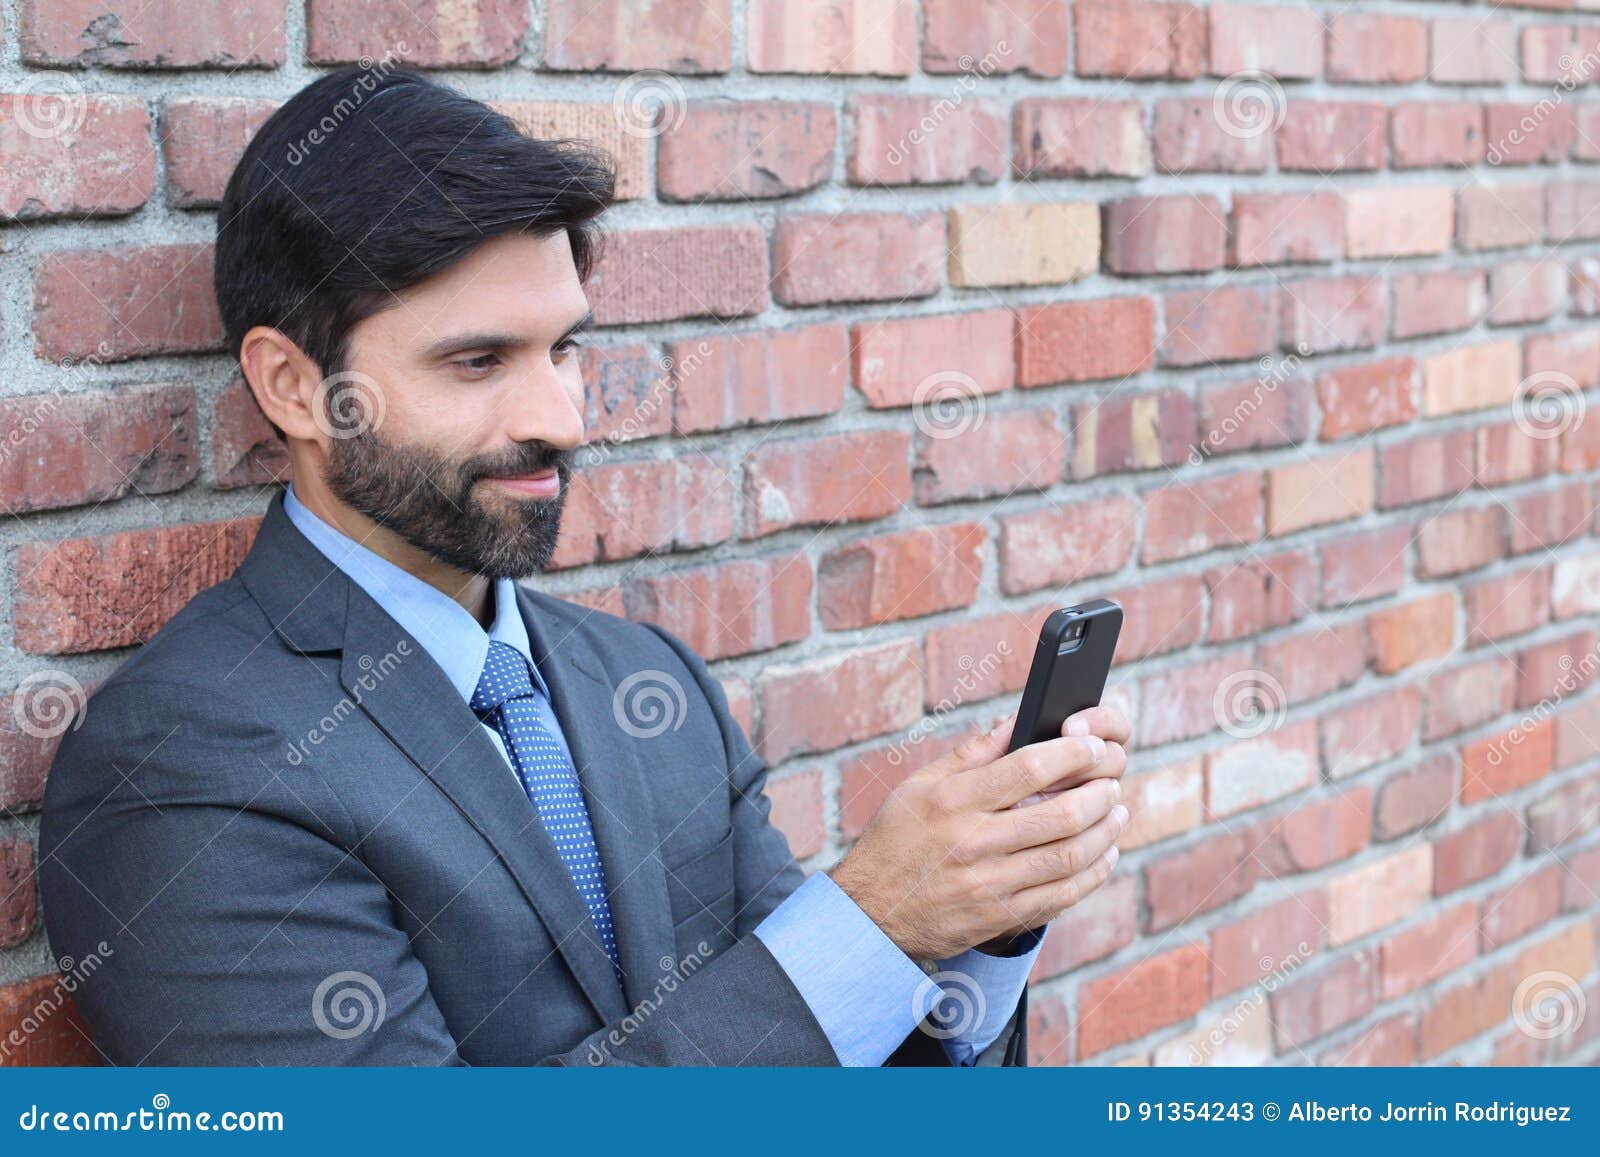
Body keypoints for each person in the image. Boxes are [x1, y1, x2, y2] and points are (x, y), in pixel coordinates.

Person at [37, 67, 1129, 1066]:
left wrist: (974, 920)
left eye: (563, 347)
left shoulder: (646, 686)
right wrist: (872, 920)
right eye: (477, 361)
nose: (560, 416)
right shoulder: (182, 763)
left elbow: (816, 1054)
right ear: (291, 385)